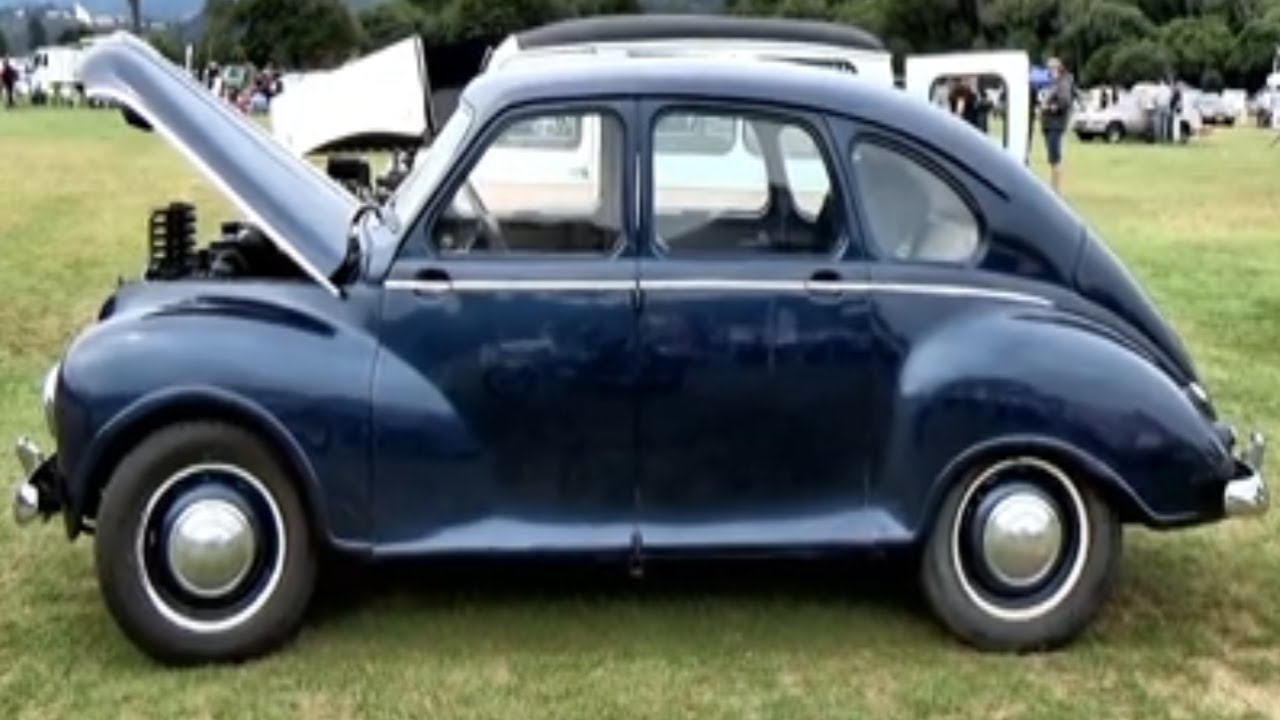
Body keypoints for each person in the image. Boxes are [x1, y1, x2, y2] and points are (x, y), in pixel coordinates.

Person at [1039, 57, 1074, 194]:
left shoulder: (1063, 82)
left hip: (1056, 124)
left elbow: (1065, 103)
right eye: (1048, 68)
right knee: (1052, 158)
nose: (1049, 71)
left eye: (1051, 68)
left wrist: (1048, 107)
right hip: (1049, 123)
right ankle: (1053, 187)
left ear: (1058, 68)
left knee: (1055, 157)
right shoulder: (1053, 83)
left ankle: (1056, 189)